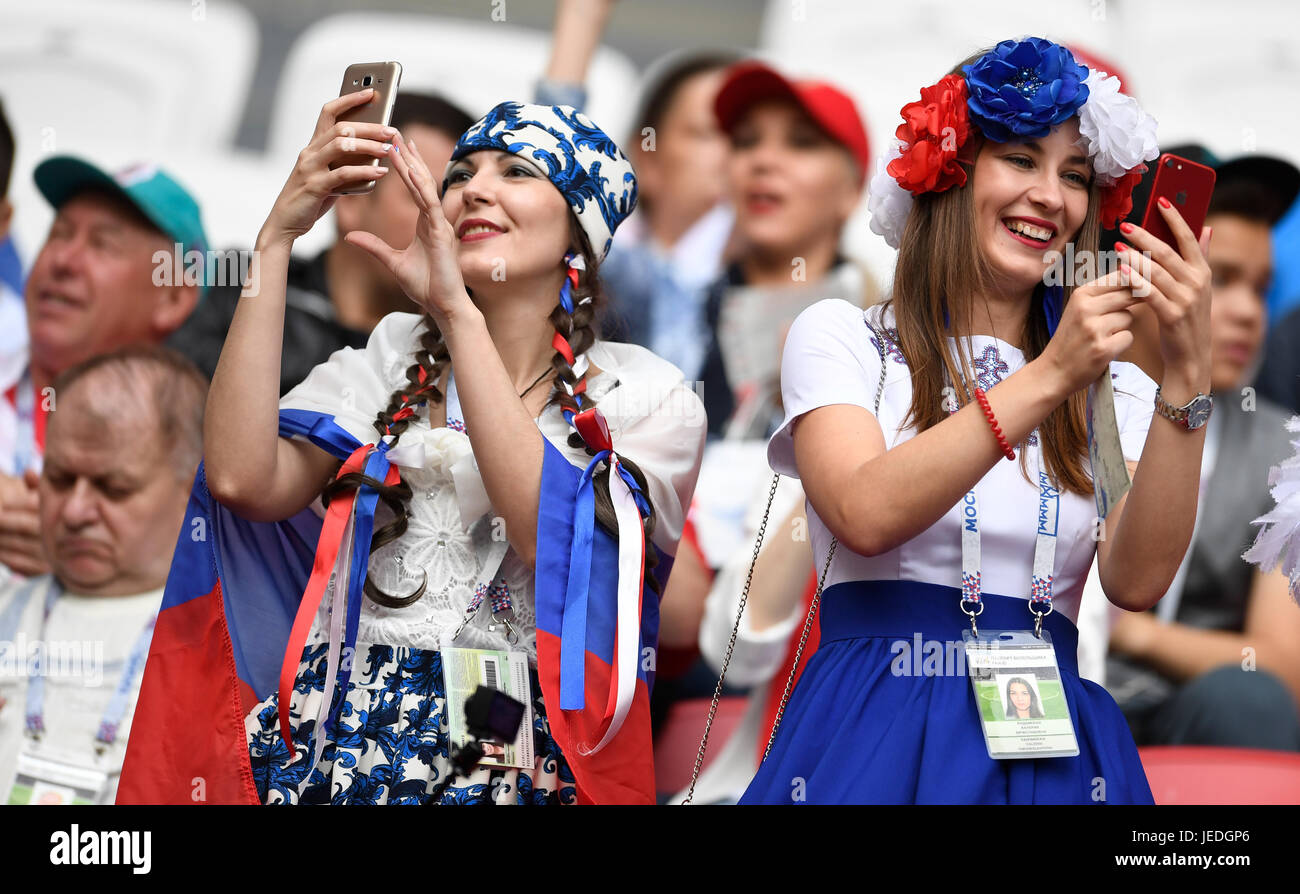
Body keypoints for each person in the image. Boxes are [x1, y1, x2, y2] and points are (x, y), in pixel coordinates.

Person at [117, 95, 705, 805]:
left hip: (499, 730)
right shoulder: (392, 351)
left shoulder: (644, 389)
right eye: (460, 175)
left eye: (518, 171)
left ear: (581, 232)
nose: (474, 188)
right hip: (337, 723)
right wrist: (274, 242)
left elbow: (550, 540)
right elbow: (243, 479)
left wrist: (457, 312)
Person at [740, 37, 1210, 805]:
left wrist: (1186, 376)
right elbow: (864, 511)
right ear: (950, 171)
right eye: (1021, 159)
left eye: (1076, 177)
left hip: (1048, 737)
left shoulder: (1113, 385)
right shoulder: (848, 339)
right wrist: (1053, 371)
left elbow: (1137, 580)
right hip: (873, 714)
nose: (1051, 197)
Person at [1105, 146, 1300, 751]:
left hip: (1186, 717)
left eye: (1261, 288)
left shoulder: (1286, 447)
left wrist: (1137, 638)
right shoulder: (1053, 402)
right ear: (1135, 268)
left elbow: (1282, 665)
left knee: (1248, 699)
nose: (1248, 312)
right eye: (1219, 277)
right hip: (1048, 691)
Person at [0, 346, 207, 804]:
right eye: (58, 478)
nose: (74, 511)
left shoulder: (223, 647)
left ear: (193, 489)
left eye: (113, 489)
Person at [168, 92, 476, 396]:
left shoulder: (469, 343)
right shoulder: (236, 284)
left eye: (459, 200)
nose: (444, 217)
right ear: (350, 197)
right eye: (423, 192)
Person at [0, 157, 207, 579]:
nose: (64, 260)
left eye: (103, 244)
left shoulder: (200, 461)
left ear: (172, 299)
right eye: (57, 234)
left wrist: (90, 565)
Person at [599, 51, 739, 381]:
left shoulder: (811, 286)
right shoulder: (600, 266)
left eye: (747, 138)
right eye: (707, 133)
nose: (735, 156)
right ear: (646, 158)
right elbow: (550, 183)